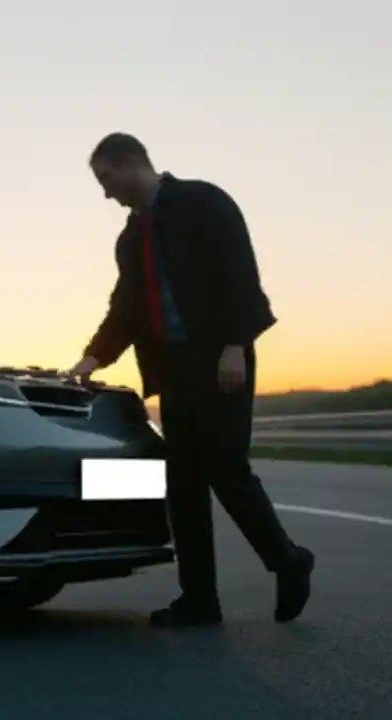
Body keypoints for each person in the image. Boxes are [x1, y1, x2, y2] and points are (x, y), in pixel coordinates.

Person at [65, 132, 314, 627]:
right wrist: (92, 358)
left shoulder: (204, 202)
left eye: (106, 179)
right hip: (172, 370)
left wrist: (235, 345)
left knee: (227, 470)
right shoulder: (130, 239)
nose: (106, 193)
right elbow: (125, 308)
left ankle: (288, 561)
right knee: (182, 484)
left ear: (131, 162)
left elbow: (240, 275)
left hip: (221, 360)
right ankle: (199, 599)